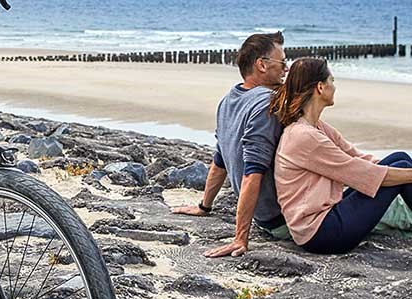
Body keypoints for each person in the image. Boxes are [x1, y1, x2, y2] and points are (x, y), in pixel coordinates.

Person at [271, 57, 412, 254]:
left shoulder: (317, 128)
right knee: (402, 171)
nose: (334, 87)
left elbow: (358, 157)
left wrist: (402, 172)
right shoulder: (304, 137)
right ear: (320, 87)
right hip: (321, 233)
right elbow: (359, 173)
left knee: (400, 159)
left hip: (327, 218)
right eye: (332, 81)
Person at [173, 31, 289, 257]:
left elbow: (220, 160)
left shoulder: (228, 100)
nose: (286, 69)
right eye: (282, 62)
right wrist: (240, 239)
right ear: (262, 65)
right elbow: (252, 173)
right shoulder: (266, 103)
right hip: (283, 220)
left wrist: (204, 206)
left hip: (265, 218)